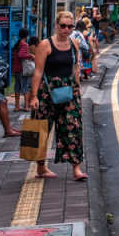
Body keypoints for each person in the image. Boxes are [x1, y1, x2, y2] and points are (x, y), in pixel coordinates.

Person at [31, 12, 87, 181]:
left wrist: (78, 91)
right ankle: (41, 167)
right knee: (41, 130)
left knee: (73, 128)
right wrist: (34, 96)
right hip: (47, 92)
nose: (66, 29)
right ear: (56, 25)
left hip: (69, 92)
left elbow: (75, 69)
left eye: (70, 26)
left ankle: (76, 168)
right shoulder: (45, 45)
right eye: (63, 26)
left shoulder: (74, 44)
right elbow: (38, 71)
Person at [12, 28, 34, 111]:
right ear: (27, 36)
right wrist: (31, 56)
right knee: (25, 87)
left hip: (16, 69)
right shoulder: (24, 44)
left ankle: (17, 106)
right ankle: (26, 106)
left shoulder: (17, 44)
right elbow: (21, 55)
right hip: (22, 69)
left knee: (17, 87)